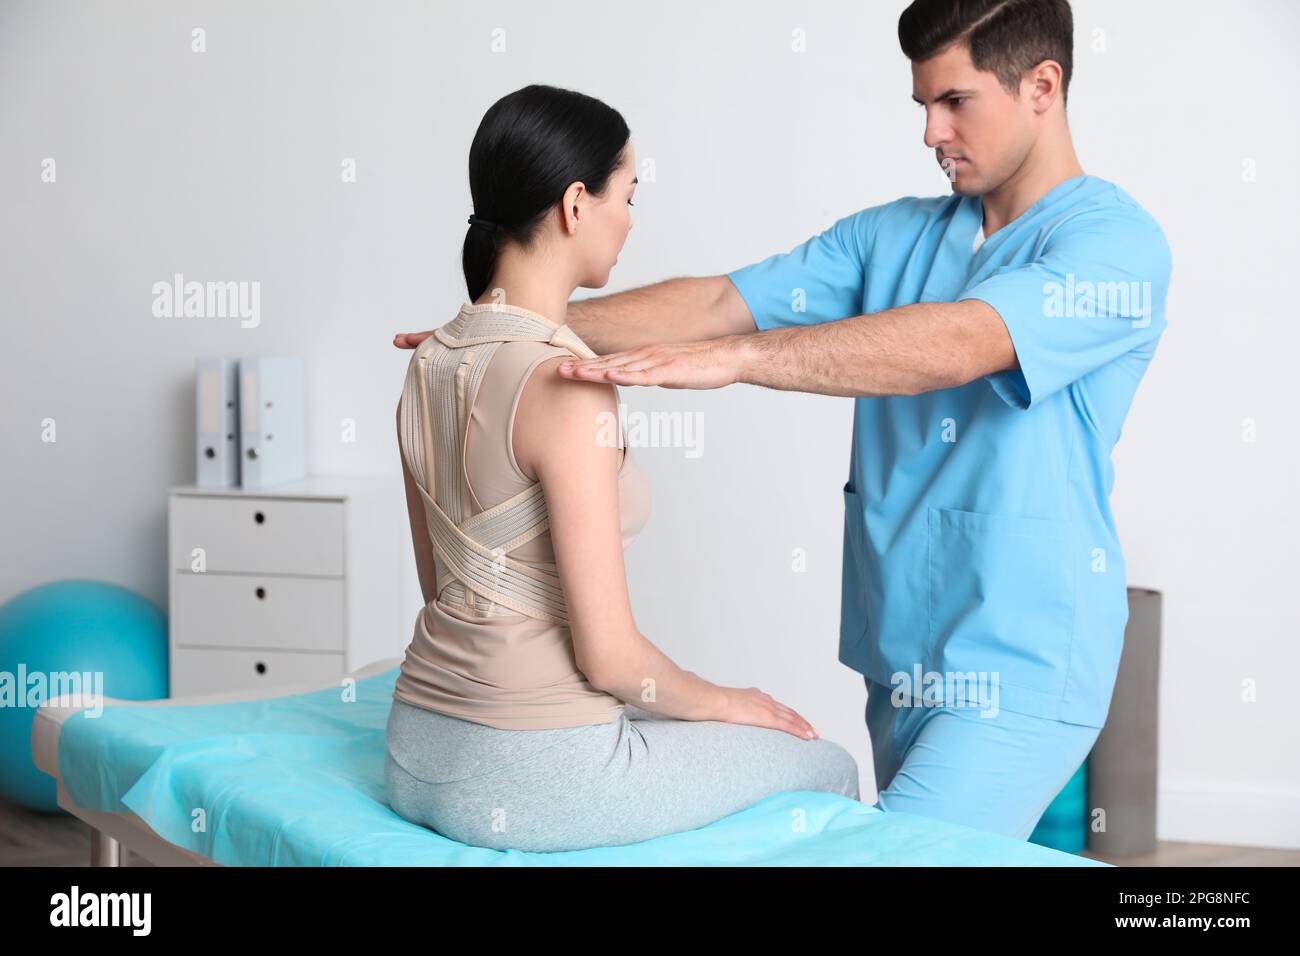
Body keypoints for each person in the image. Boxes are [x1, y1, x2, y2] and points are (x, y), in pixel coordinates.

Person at [396, 0, 1173, 841]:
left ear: (1041, 86)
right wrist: (499, 328)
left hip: (1022, 660)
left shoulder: (1114, 249)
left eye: (955, 101)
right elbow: (717, 302)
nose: (929, 131)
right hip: (901, 654)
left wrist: (743, 362)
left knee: (883, 857)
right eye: (921, 105)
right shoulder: (893, 237)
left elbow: (965, 340)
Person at [385, 83, 860, 854]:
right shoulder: (569, 390)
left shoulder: (429, 361)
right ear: (577, 204)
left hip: (415, 750)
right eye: (628, 196)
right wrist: (728, 702)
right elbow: (609, 658)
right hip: (528, 768)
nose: (631, 221)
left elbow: (441, 590)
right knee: (828, 767)